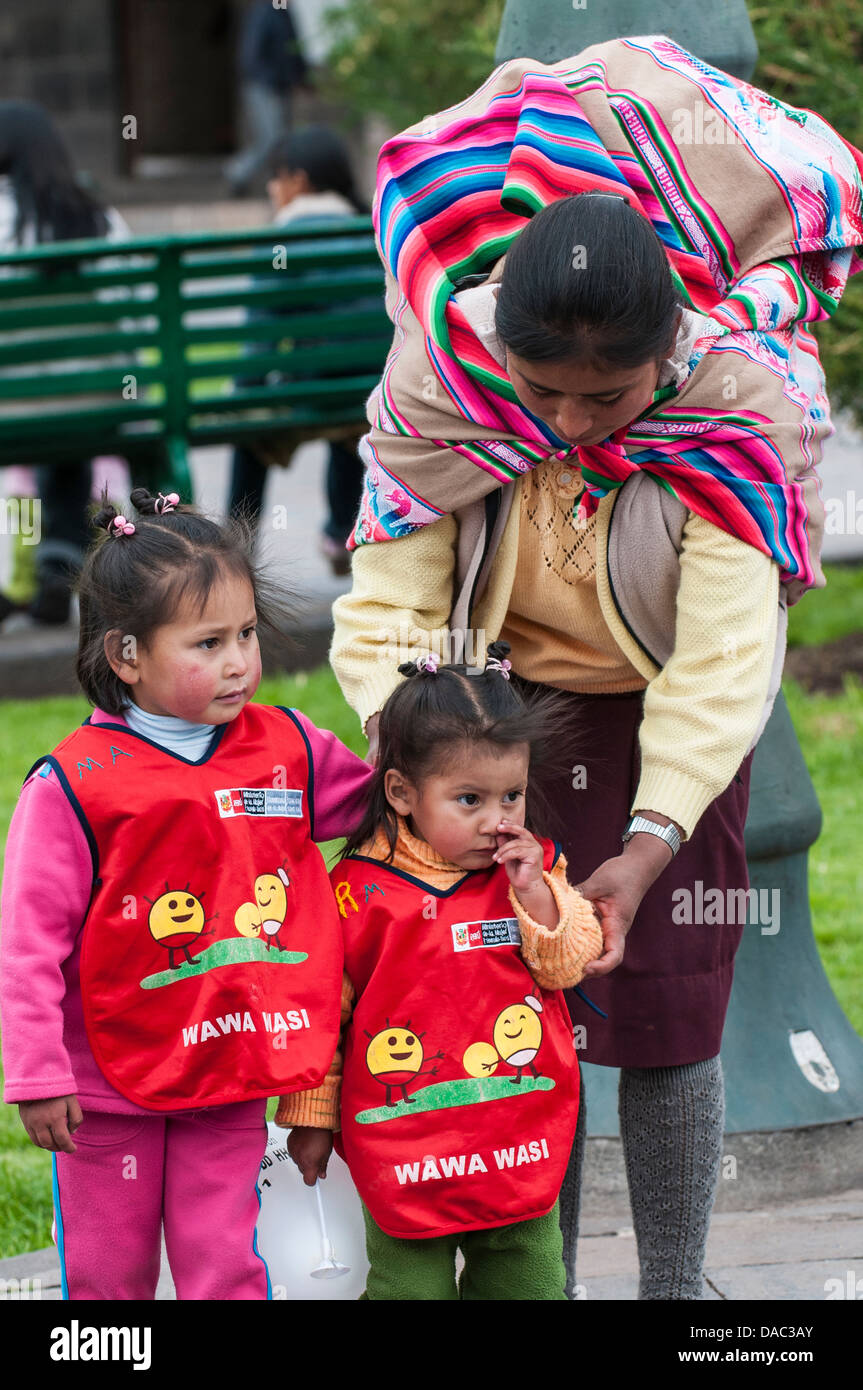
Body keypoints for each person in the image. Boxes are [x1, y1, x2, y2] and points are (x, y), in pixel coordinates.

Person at [325, 36, 863, 1298]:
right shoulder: (446, 377)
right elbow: (391, 593)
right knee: (516, 1024)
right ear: (497, 353)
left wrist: (647, 837)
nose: (568, 424)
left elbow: (728, 650)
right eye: (544, 393)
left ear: (664, 350)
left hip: (668, 735)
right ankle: (542, 1286)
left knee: (670, 1021)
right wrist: (438, 762)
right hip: (486, 729)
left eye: (606, 397)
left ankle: (672, 1296)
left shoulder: (736, 402)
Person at [0, 487, 374, 1300]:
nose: (240, 660)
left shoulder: (289, 748)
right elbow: (27, 942)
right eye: (208, 642)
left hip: (229, 1068)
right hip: (103, 1090)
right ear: (126, 655)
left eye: (245, 634)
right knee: (106, 1276)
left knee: (225, 1267)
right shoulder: (73, 784)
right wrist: (37, 1073)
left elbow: (384, 814)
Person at [280, 642, 605, 1300]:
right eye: (468, 800)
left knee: (530, 1283)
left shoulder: (529, 871)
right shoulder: (356, 892)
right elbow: (322, 1013)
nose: (498, 820)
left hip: (516, 1139)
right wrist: (311, 1118)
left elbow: (569, 962)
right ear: (401, 791)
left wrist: (537, 892)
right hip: (401, 1144)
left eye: (510, 795)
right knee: (409, 1289)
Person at [0, 100, 133, 627]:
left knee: (43, 421)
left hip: (12, 407)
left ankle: (45, 562)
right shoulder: (99, 215)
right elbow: (132, 315)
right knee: (70, 424)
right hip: (99, 401)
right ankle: (58, 559)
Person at [228, 126, 370, 575]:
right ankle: (342, 530)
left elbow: (261, 349)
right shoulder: (372, 230)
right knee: (350, 418)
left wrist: (243, 397)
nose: (272, 189)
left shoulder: (282, 242)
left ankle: (236, 546)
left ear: (300, 180)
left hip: (316, 394)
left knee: (252, 435)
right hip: (375, 394)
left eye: (276, 177)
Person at [226, 0, 309, 197]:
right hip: (264, 86)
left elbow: (292, 49)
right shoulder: (265, 11)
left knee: (281, 139)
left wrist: (300, 77)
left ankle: (281, 184)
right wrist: (269, 78)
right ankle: (238, 172)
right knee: (271, 137)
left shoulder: (283, 12)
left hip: (279, 86)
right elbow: (251, 53)